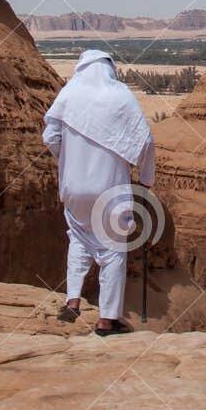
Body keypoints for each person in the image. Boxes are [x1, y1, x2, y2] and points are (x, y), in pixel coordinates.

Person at [41, 49, 155, 335]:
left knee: (78, 237)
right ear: (108, 69)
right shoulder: (120, 96)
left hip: (73, 187)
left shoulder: (69, 94)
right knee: (113, 249)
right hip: (109, 188)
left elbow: (50, 136)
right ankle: (106, 320)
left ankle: (73, 302)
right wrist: (145, 178)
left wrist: (66, 160)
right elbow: (146, 141)